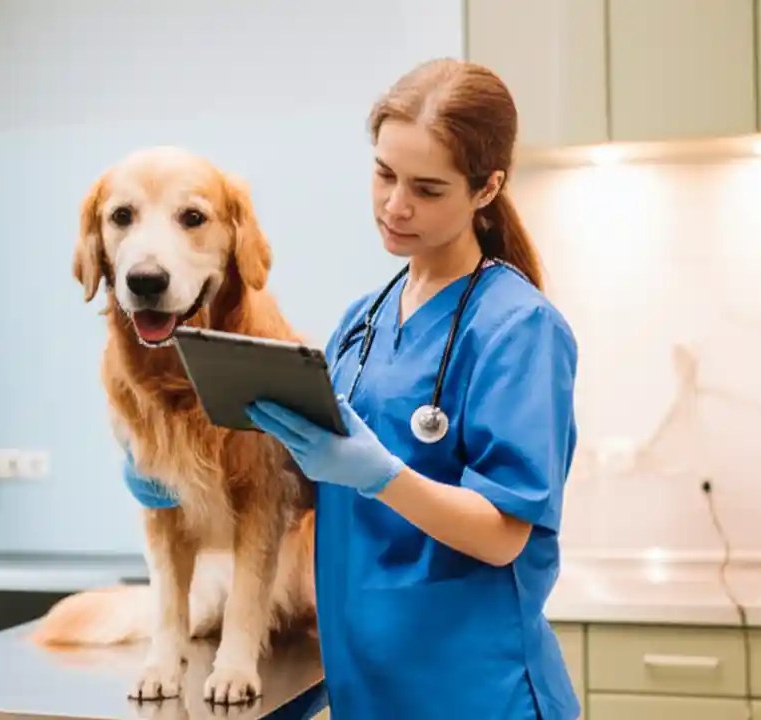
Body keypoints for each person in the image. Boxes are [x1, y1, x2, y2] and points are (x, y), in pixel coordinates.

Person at [244, 57, 580, 720]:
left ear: (487, 189)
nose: (395, 205)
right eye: (384, 174)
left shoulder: (518, 328)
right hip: (370, 692)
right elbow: (325, 491)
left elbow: (503, 534)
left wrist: (381, 474)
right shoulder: (362, 323)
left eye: (427, 189)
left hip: (477, 695)